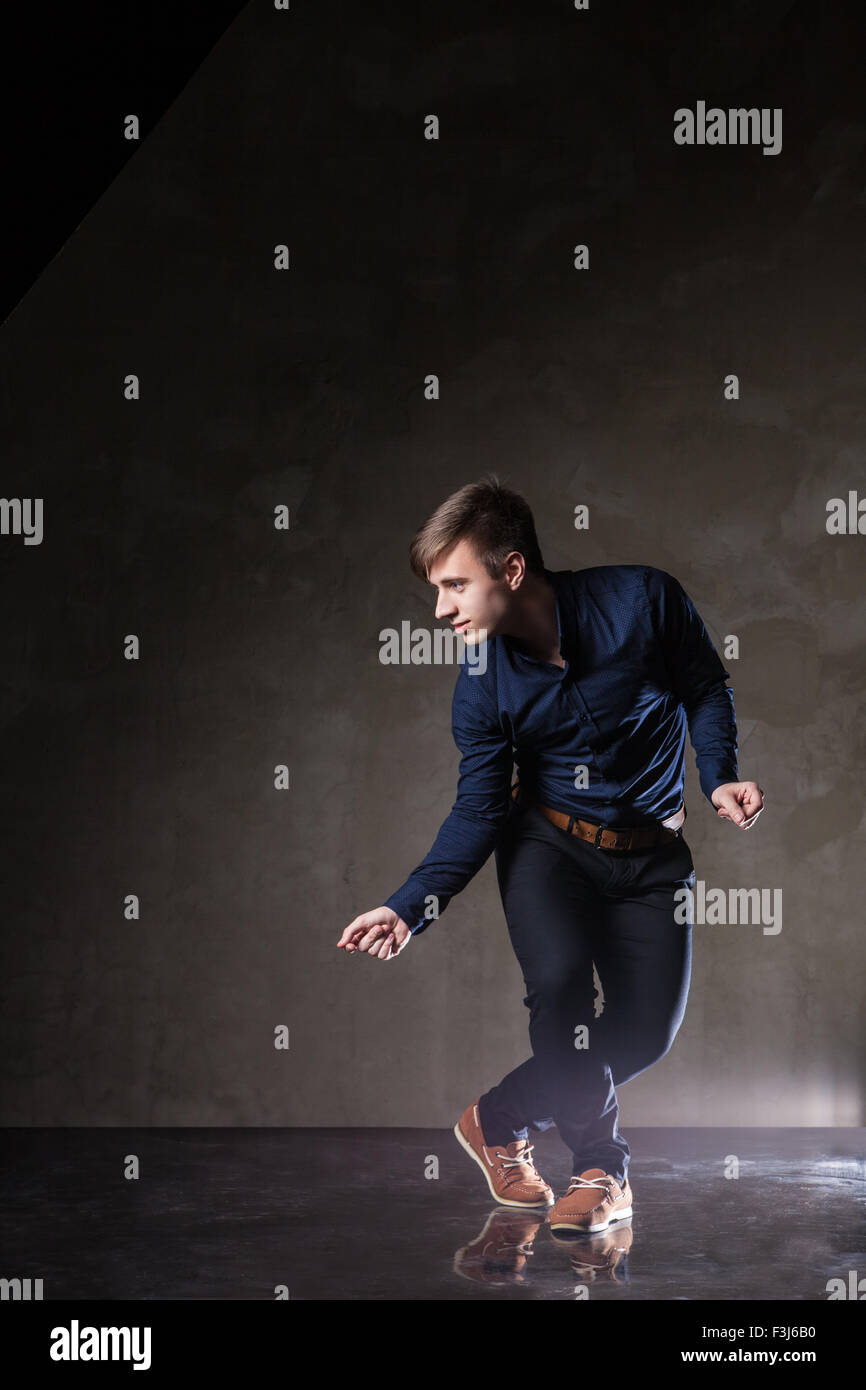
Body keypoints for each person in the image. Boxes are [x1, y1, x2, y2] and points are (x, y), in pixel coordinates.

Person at [337, 475, 764, 1233]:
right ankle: (604, 1170)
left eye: (454, 584)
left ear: (510, 571)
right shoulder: (479, 688)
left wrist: (719, 774)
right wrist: (409, 908)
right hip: (549, 848)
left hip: (653, 858)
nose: (439, 609)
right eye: (435, 590)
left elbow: (704, 686)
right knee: (562, 992)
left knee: (644, 1033)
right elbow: (478, 810)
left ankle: (496, 1117)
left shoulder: (644, 600)